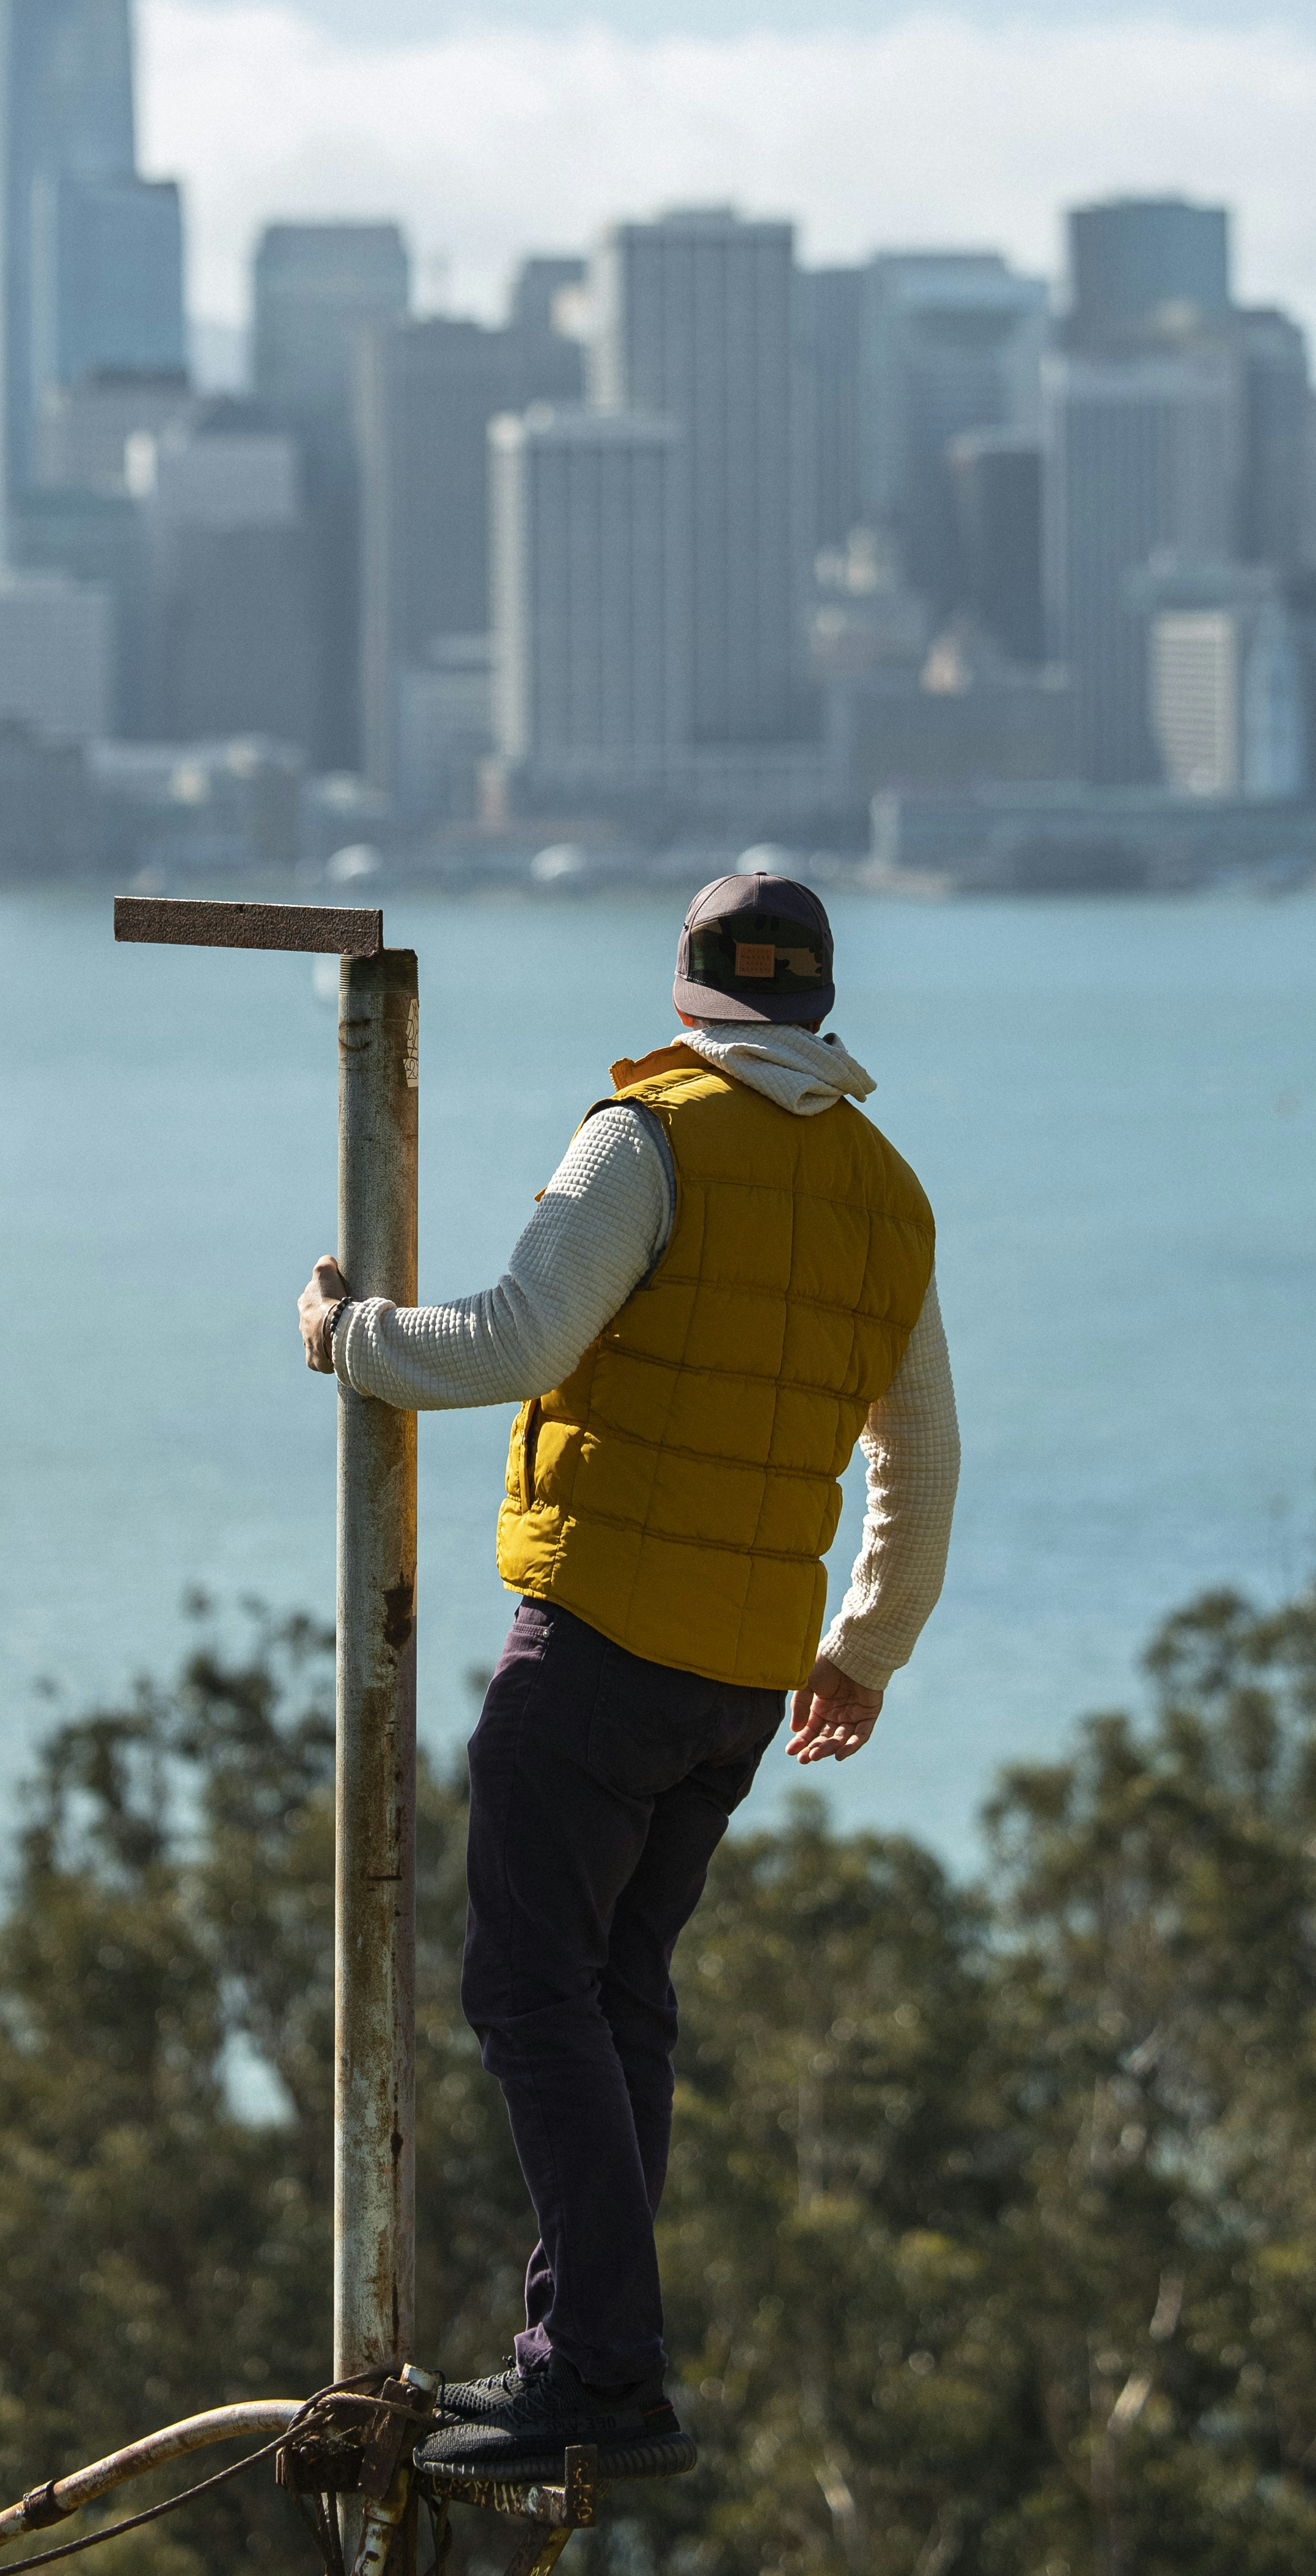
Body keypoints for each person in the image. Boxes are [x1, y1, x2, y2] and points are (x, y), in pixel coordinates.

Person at [295, 873, 958, 2481]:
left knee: (528, 1991)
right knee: (620, 1998)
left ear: (688, 991)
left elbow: (517, 1341)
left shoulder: (643, 1137)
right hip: (739, 1685)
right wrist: (865, 1650)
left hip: (595, 1646)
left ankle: (597, 2366)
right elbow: (921, 1455)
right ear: (816, 1003)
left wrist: (344, 1334)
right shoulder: (889, 1193)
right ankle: (585, 2358)